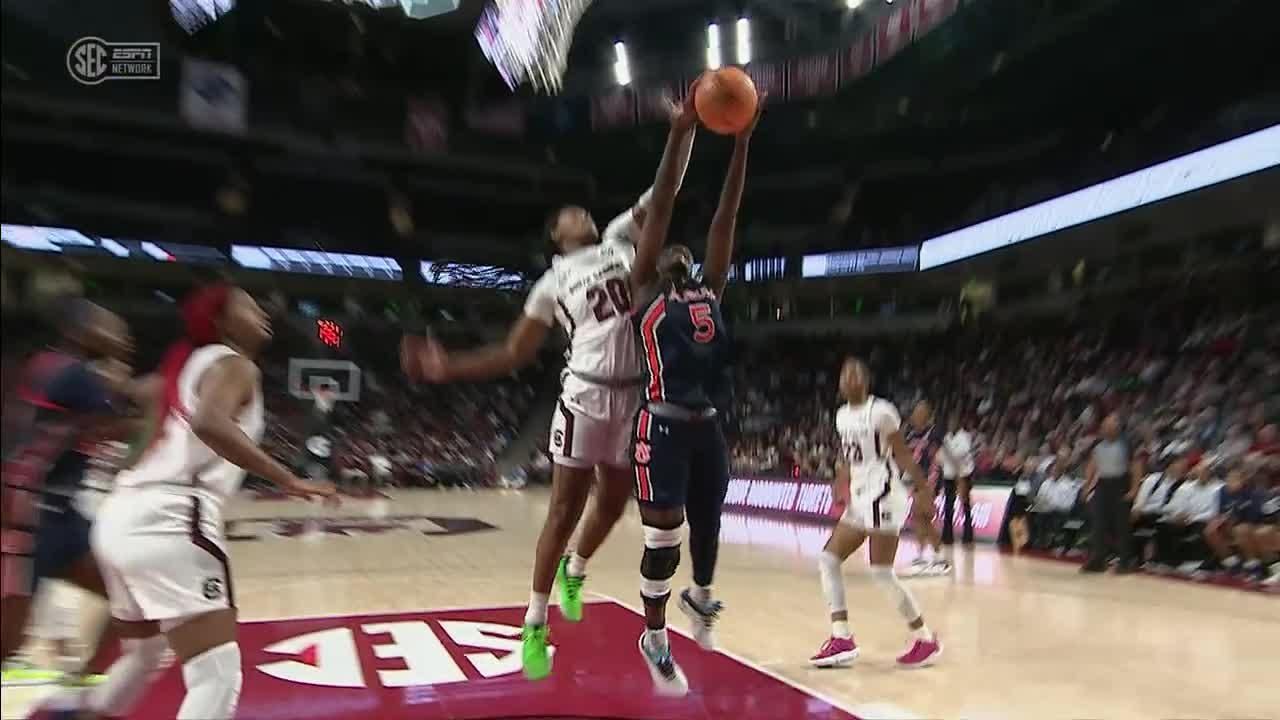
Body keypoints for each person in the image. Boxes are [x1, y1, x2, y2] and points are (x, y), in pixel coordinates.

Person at [400, 106, 697, 680]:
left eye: (581, 207)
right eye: (567, 214)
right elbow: (513, 353)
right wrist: (449, 366)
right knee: (562, 510)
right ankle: (534, 624)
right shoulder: (550, 284)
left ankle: (576, 570)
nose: (579, 212)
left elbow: (667, 190)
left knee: (613, 504)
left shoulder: (617, 238)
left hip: (635, 396)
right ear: (556, 239)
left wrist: (680, 132)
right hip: (584, 395)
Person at [44, 285, 335, 720]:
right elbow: (210, 422)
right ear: (219, 322)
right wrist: (289, 479)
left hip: (120, 517)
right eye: (248, 307)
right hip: (172, 518)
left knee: (143, 656)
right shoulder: (234, 363)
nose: (262, 314)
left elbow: (131, 393)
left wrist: (104, 370)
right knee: (216, 675)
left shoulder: (181, 369)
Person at [627, 90, 757, 696]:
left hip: (706, 426)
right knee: (665, 537)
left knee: (709, 527)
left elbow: (725, 220)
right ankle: (653, 635)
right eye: (670, 249)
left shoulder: (712, 291)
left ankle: (700, 599)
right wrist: (679, 135)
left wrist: (742, 146)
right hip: (661, 424)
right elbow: (659, 212)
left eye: (687, 249)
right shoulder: (643, 293)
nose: (681, 250)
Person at [1, 299, 135, 684]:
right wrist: (133, 387)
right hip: (28, 511)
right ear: (81, 331)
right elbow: (121, 424)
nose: (122, 338)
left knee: (125, 588)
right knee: (9, 639)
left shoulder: (47, 364)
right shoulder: (76, 375)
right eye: (112, 328)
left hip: (59, 511)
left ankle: (88, 678)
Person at [809, 358, 942, 669]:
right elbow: (847, 456)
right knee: (828, 560)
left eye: (855, 374)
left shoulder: (881, 411)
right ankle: (841, 636)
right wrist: (840, 483)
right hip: (859, 497)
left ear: (866, 381)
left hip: (883, 495)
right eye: (844, 374)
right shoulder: (841, 416)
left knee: (882, 571)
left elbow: (902, 454)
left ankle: (924, 638)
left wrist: (924, 491)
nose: (848, 378)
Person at [1081, 414, 1138, 573]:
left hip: (1121, 483)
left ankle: (1125, 561)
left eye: (1108, 426)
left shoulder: (1127, 444)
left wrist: (1133, 489)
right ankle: (1098, 559)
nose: (1104, 429)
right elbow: (1093, 464)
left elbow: (1136, 466)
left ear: (1117, 428)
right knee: (1098, 522)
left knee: (1121, 525)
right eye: (1104, 426)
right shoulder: (1098, 444)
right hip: (1103, 484)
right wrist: (1087, 486)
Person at [903, 401, 952, 575]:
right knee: (919, 519)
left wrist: (931, 485)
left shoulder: (934, 433)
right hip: (915, 481)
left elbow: (937, 460)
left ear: (926, 414)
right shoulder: (910, 434)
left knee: (923, 516)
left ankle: (940, 557)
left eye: (919, 411)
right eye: (914, 411)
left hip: (929, 482)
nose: (915, 414)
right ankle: (924, 555)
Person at [1153, 463, 1220, 573]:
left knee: (1200, 528)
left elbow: (1213, 512)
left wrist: (1192, 518)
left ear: (1210, 473)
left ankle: (1196, 562)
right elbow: (1180, 505)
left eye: (1205, 472)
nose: (1202, 475)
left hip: (1203, 520)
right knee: (1164, 524)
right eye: (1199, 472)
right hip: (1186, 518)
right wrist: (1179, 514)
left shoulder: (1216, 489)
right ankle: (1167, 562)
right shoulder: (1188, 487)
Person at [1202, 468, 1254, 573]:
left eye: (1235, 479)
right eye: (1229, 479)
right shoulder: (1222, 491)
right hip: (1227, 523)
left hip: (1245, 523)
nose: (1231, 482)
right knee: (1209, 531)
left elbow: (1252, 516)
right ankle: (1232, 563)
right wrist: (1217, 521)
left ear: (1243, 481)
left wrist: (1233, 519)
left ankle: (1253, 566)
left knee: (1241, 530)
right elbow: (1219, 512)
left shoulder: (1249, 493)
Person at [939, 413, 975, 545]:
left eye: (953, 422)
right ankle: (947, 536)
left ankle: (968, 536)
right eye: (949, 422)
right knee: (948, 505)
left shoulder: (965, 436)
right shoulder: (947, 437)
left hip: (963, 474)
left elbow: (962, 453)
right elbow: (942, 456)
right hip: (949, 475)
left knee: (965, 505)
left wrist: (949, 454)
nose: (951, 424)